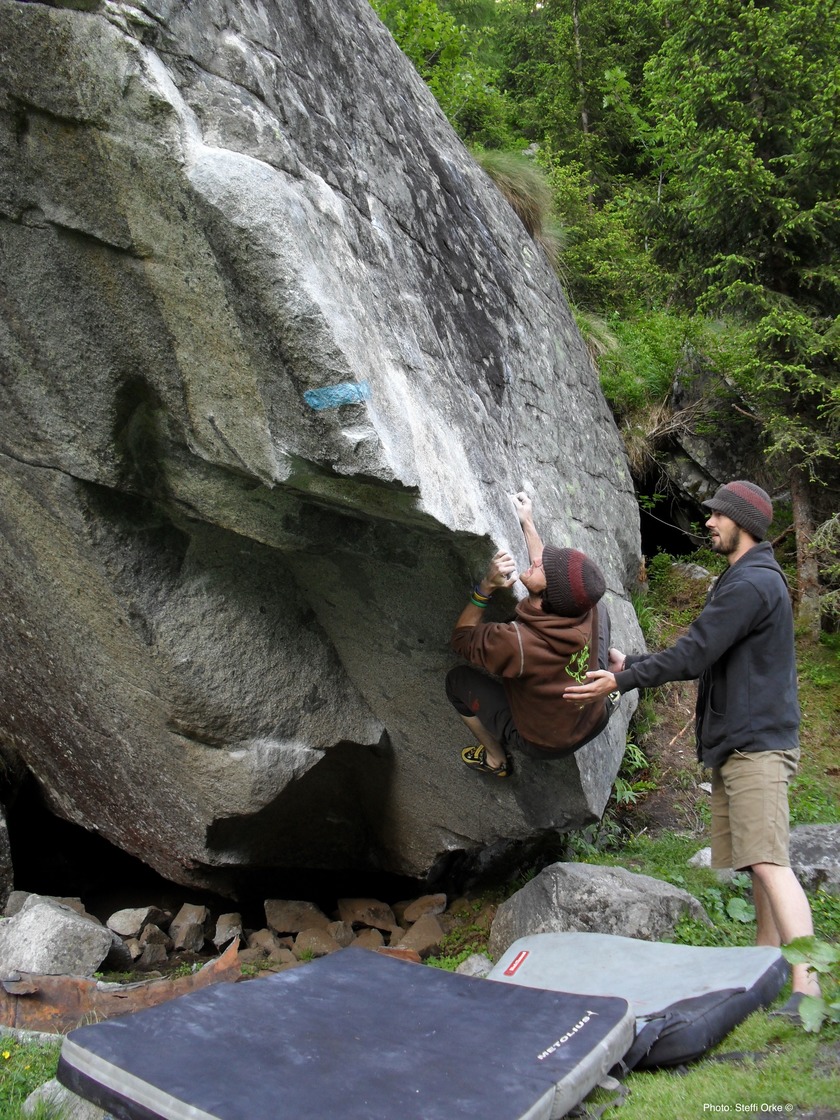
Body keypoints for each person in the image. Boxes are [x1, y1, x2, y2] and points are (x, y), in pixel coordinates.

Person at [564, 480, 820, 1014]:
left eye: (718, 515)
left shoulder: (752, 583)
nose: (708, 522)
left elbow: (695, 653)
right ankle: (764, 963)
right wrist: (633, 664)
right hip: (741, 741)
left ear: (742, 523)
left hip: (757, 744)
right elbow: (706, 651)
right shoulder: (742, 578)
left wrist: (622, 680)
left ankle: (808, 985)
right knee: (756, 860)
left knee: (769, 861)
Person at [446, 492, 617, 777]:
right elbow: (550, 579)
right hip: (595, 717)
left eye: (543, 568)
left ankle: (496, 758)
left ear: (547, 597)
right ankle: (609, 677)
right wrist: (527, 522)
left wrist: (486, 587)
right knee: (602, 614)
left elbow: (461, 639)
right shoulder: (584, 605)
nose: (537, 561)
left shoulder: (518, 643)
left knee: (456, 682)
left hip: (548, 742)